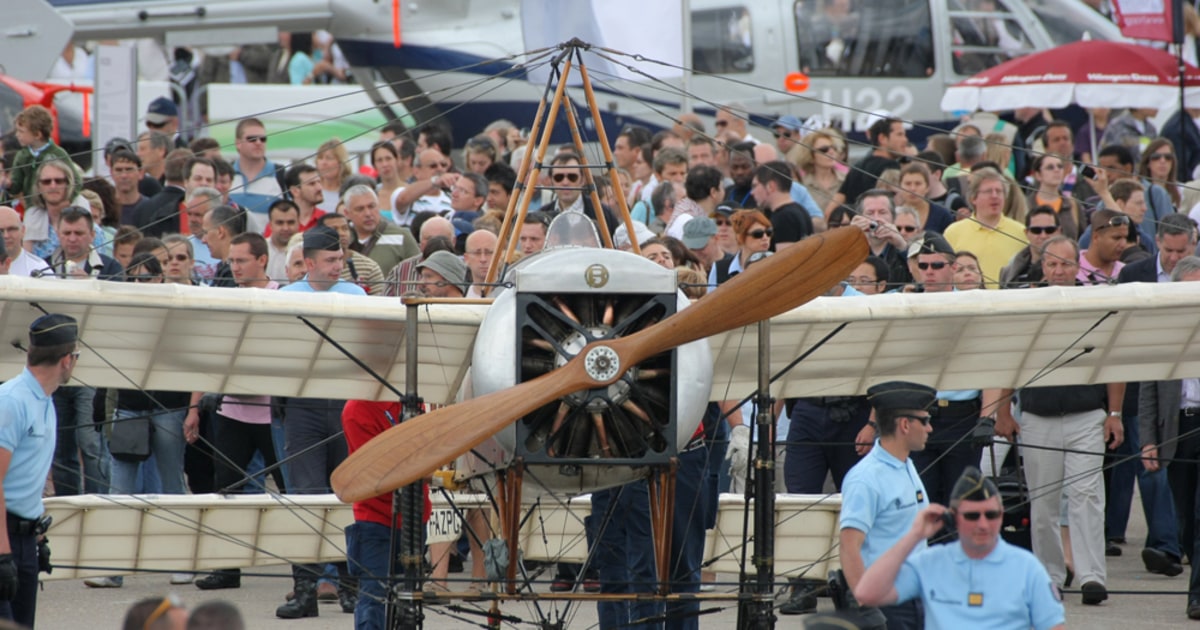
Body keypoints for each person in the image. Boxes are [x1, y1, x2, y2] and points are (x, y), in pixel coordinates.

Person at [993, 235, 1124, 605]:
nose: (1058, 270)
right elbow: (1012, 360)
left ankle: (1091, 576)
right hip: (1038, 416)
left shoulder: (1096, 303)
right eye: (1051, 263)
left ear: (1077, 265)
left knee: (1087, 496)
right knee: (1043, 502)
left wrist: (1114, 414)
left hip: (1087, 414)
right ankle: (1049, 575)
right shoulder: (1027, 305)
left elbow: (1114, 362)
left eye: (1065, 263)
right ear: (1043, 266)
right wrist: (1003, 410)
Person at [855, 468, 1066, 630]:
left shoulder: (1027, 568)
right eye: (972, 516)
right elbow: (867, 593)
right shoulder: (931, 563)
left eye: (991, 515)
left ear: (1002, 515)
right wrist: (914, 536)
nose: (983, 524)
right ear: (954, 517)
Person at [835, 380, 937, 630]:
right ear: (905, 425)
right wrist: (865, 606)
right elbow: (849, 546)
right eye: (925, 420)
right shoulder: (866, 478)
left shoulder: (905, 464)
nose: (930, 428)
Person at [0, 313, 79, 627]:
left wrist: (38, 537)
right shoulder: (11, 401)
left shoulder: (45, 400)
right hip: (5, 535)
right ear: (66, 360)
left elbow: (29, 475)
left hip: (25, 537)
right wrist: (3, 555)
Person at [1139, 256, 1200, 619]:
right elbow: (1148, 390)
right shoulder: (1161, 330)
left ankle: (1197, 596)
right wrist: (1148, 439)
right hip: (1179, 430)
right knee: (1186, 517)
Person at [341, 399, 431, 630]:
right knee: (374, 597)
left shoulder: (411, 405)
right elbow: (375, 470)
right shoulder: (356, 409)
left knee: (409, 603)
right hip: (374, 518)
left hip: (415, 515)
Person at [942, 168, 1027, 288]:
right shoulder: (953, 232)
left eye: (999, 191)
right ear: (973, 198)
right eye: (988, 191)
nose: (994, 196)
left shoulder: (1021, 232)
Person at [998, 205, 1060, 289]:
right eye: (1036, 230)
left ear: (1059, 231)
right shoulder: (1008, 272)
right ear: (1026, 233)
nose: (1043, 236)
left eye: (1049, 230)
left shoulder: (1071, 268)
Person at [709, 209, 771, 286]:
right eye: (757, 234)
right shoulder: (720, 269)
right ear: (740, 237)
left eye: (769, 232)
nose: (765, 237)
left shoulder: (776, 264)